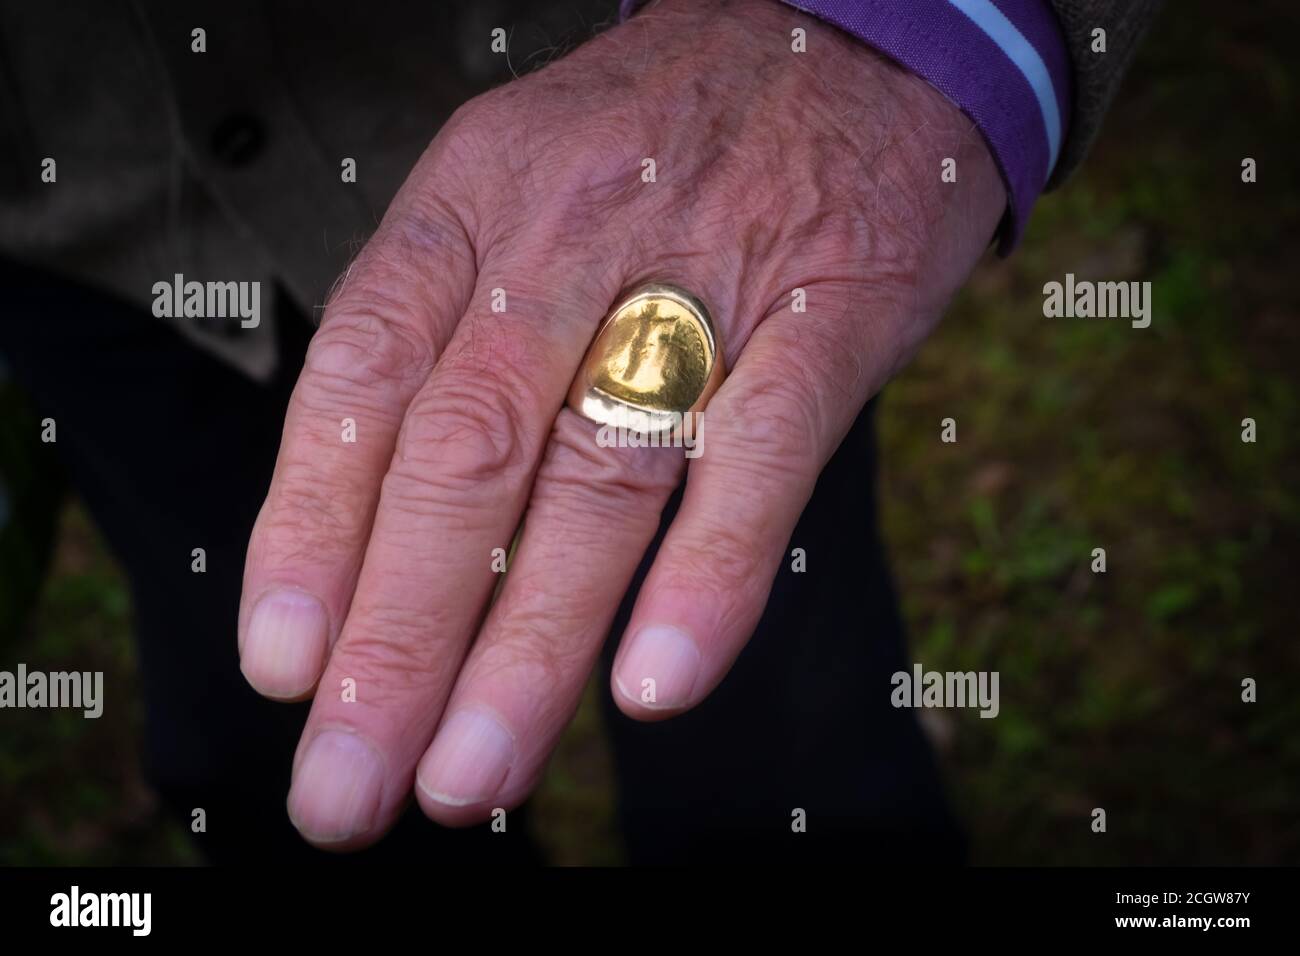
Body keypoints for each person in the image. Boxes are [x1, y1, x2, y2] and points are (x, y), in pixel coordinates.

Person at [0, 0, 1160, 863]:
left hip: (638, 175)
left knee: (776, 714)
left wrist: (893, 34)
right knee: (267, 734)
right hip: (89, 265)